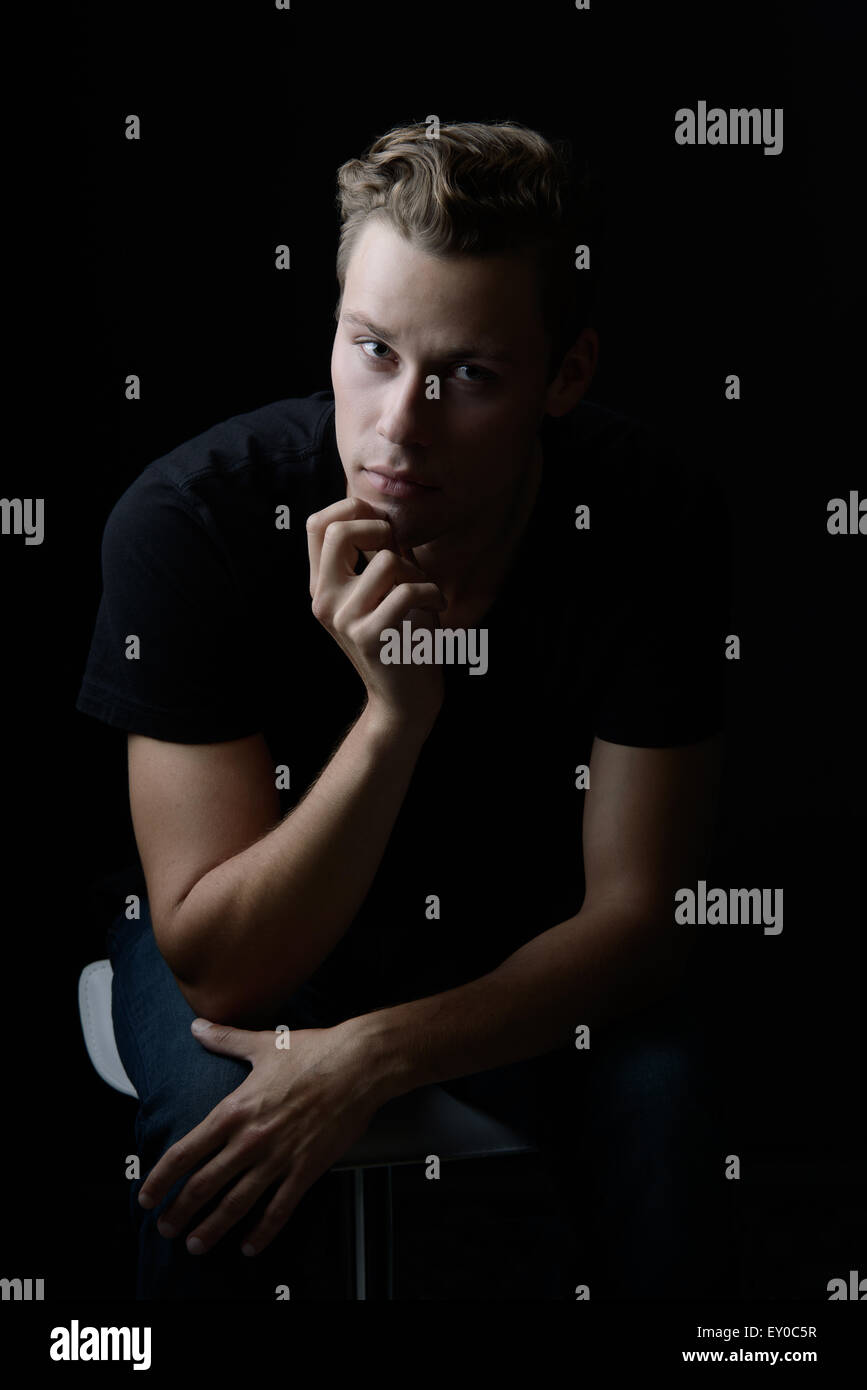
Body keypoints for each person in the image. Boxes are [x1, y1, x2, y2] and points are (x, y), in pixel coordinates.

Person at [77, 119, 736, 1300]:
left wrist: (373, 1055)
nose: (399, 426)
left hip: (535, 933)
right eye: (371, 350)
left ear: (565, 376)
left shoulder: (652, 520)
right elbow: (222, 968)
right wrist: (395, 716)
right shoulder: (190, 526)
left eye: (468, 375)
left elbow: (639, 921)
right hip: (263, 934)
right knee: (212, 1146)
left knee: (671, 1108)